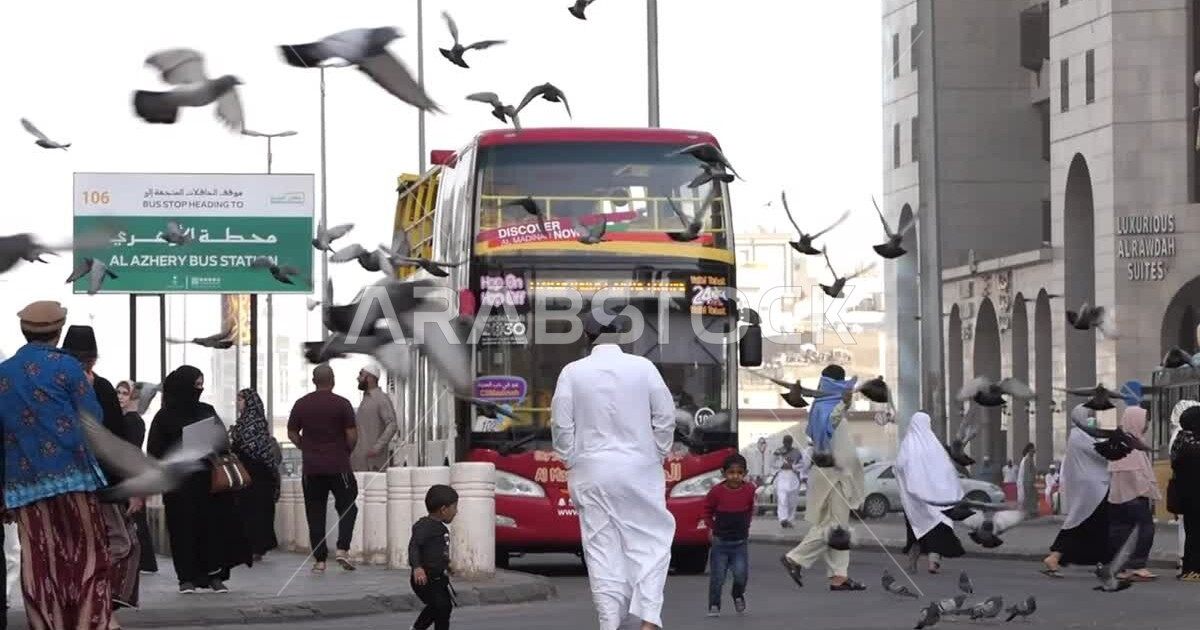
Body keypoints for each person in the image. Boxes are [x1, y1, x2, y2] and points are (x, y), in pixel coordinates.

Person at [550, 316, 676, 630]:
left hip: (590, 471)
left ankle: (609, 623)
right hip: (639, 469)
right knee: (651, 542)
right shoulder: (644, 368)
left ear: (588, 335)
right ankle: (648, 617)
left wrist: (571, 460)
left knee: (600, 548)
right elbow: (665, 416)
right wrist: (656, 452)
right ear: (620, 334)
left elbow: (561, 425)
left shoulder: (572, 372)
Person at [0, 301, 113, 629]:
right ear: (58, 330)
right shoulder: (68, 368)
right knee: (89, 558)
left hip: (25, 487)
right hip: (75, 480)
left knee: (39, 564)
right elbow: (94, 420)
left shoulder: (3, 373)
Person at [60, 325, 144, 625]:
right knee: (118, 544)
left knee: (96, 547)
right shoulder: (99, 387)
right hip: (90, 484)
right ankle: (97, 606)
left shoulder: (56, 384)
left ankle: (94, 605)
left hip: (72, 484)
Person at [147, 365, 252, 593]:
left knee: (213, 529)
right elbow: (155, 451)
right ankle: (187, 577)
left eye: (201, 385)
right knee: (183, 530)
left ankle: (214, 576)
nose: (199, 390)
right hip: (179, 486)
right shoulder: (164, 417)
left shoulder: (207, 410)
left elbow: (223, 440)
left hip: (210, 484)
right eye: (195, 385)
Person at [780, 364, 867, 592]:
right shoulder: (827, 407)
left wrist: (844, 402)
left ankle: (839, 576)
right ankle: (795, 559)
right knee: (836, 527)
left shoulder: (821, 404)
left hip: (833, 474)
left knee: (836, 528)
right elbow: (831, 423)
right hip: (834, 475)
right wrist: (844, 403)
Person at [288, 364, 359, 573]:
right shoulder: (342, 404)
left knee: (315, 512)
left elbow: (292, 432)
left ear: (313, 381)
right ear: (333, 380)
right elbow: (352, 435)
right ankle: (342, 549)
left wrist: (305, 446)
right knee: (348, 506)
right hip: (339, 465)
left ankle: (320, 561)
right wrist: (346, 451)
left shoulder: (301, 404)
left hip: (311, 468)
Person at [1042, 405, 1111, 576]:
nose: (1091, 419)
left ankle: (1101, 562)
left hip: (1094, 487)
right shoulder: (1078, 435)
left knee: (1092, 524)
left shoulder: (1083, 435)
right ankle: (1055, 556)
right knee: (1080, 522)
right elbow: (1101, 452)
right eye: (1088, 416)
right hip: (1091, 489)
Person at [896, 411, 965, 574]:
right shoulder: (934, 445)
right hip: (935, 498)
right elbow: (946, 470)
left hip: (914, 500)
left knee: (915, 530)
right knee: (937, 528)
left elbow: (899, 465)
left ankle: (912, 562)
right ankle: (933, 563)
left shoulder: (908, 444)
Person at [1107, 405, 1160, 582]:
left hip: (1119, 498)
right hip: (1135, 497)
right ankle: (1138, 566)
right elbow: (1135, 475)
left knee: (1121, 531)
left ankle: (1121, 567)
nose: (1147, 425)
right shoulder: (1131, 446)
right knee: (1144, 529)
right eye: (1145, 421)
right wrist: (1147, 492)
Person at [230, 388, 281, 560]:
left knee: (252, 510)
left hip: (253, 473)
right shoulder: (255, 421)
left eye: (240, 400)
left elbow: (246, 444)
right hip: (258, 473)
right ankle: (256, 547)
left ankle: (254, 546)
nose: (238, 403)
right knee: (256, 510)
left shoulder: (249, 422)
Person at [703, 454, 756, 617]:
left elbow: (751, 508)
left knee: (741, 576)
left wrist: (746, 525)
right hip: (720, 542)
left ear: (745, 473)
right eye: (731, 472)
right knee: (718, 577)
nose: (735, 476)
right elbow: (707, 510)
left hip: (740, 543)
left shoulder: (749, 490)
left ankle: (737, 594)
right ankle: (714, 604)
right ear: (724, 473)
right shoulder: (716, 492)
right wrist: (711, 527)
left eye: (739, 473)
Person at [116, 381, 157, 574]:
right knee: (135, 517)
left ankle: (145, 560)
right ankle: (144, 560)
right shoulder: (130, 419)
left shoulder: (132, 420)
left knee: (135, 517)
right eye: (118, 392)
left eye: (125, 393)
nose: (120, 396)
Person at [408, 484, 459, 630]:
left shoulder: (440, 528)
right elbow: (414, 546)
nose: (456, 512)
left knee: (443, 607)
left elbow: (438, 551)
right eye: (454, 507)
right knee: (440, 606)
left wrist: (447, 564)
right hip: (424, 578)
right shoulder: (424, 526)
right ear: (443, 510)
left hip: (438, 578)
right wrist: (417, 568)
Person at [1170, 399, 1200, 573]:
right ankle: (1193, 569)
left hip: (1185, 493)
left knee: (1191, 532)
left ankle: (1190, 568)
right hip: (1195, 493)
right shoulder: (1194, 443)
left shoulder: (1181, 440)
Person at [350, 364, 398, 472]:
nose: (358, 378)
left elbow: (392, 425)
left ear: (370, 378)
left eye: (361, 375)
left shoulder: (381, 399)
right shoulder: (366, 400)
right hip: (360, 462)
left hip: (372, 464)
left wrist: (377, 448)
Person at [773, 435, 803, 528]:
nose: (787, 443)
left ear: (791, 442)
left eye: (789, 442)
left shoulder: (796, 452)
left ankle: (790, 519)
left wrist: (793, 467)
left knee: (792, 501)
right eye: (786, 442)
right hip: (782, 476)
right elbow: (772, 463)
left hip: (793, 477)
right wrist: (781, 465)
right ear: (783, 442)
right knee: (782, 499)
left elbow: (802, 464)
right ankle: (783, 519)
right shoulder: (778, 452)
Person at [1017, 443, 1038, 518]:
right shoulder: (1027, 459)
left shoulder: (1030, 458)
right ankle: (1026, 514)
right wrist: (1031, 482)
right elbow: (1027, 472)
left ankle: (1031, 512)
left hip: (1028, 481)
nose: (1035, 450)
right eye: (1033, 449)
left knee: (1032, 497)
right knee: (1027, 498)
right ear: (1030, 449)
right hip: (1026, 481)